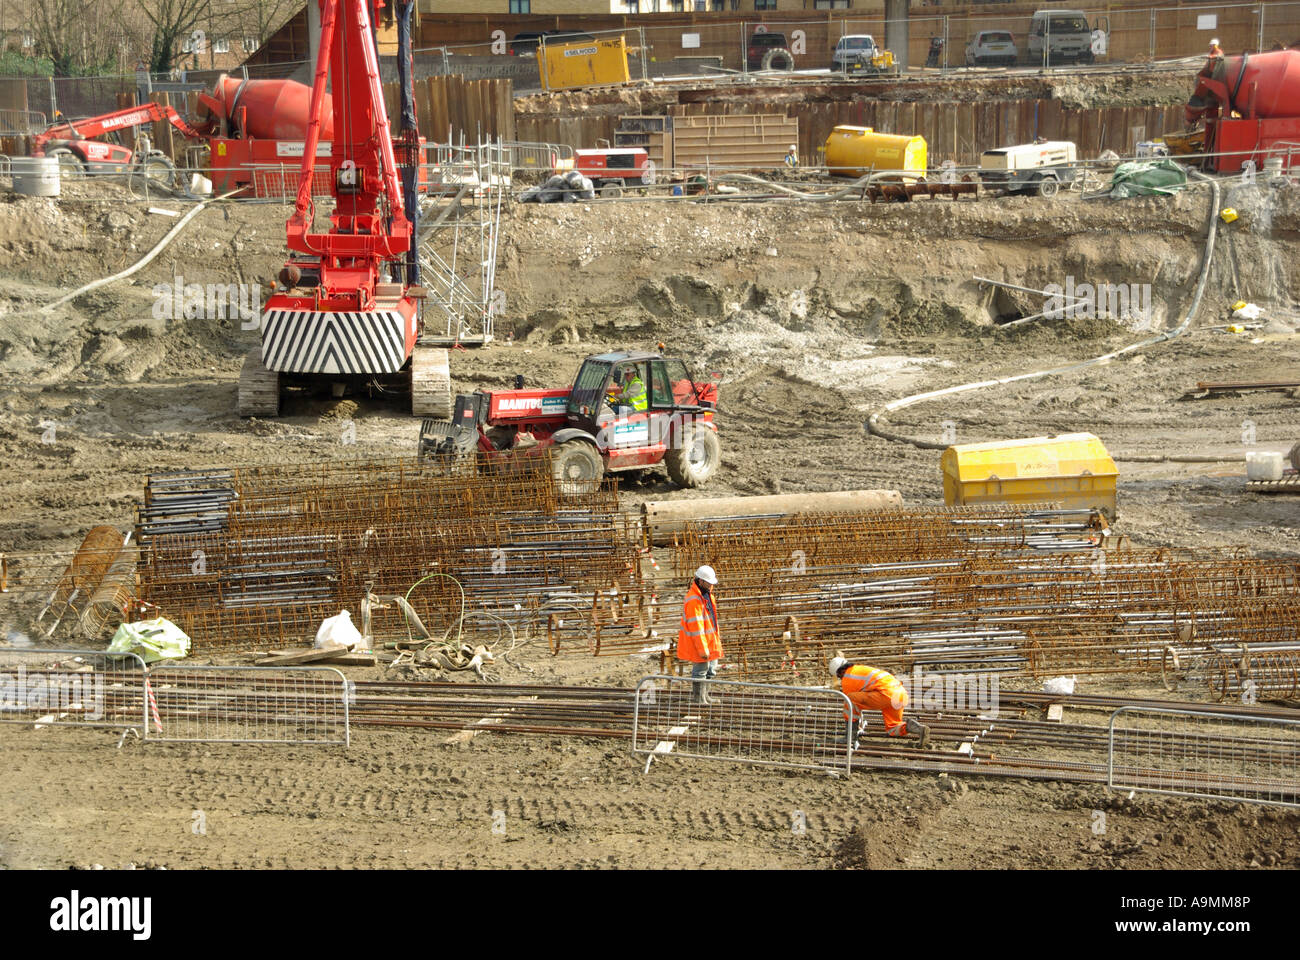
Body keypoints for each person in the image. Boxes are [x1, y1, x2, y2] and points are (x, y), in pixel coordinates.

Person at [829, 657, 929, 748]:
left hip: (886, 695)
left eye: (838, 676)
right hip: (900, 694)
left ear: (840, 671)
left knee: (849, 700)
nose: (839, 678)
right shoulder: (860, 669)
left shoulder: (848, 678)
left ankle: (850, 736)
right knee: (892, 729)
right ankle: (916, 728)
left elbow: (852, 704)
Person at [678, 565, 721, 705]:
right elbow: (696, 627)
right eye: (708, 582)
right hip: (699, 643)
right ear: (701, 581)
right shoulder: (694, 600)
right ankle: (699, 699)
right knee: (700, 671)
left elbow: (710, 622)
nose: (710, 585)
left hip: (710, 641)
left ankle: (705, 697)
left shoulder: (707, 595)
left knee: (711, 670)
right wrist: (703, 649)